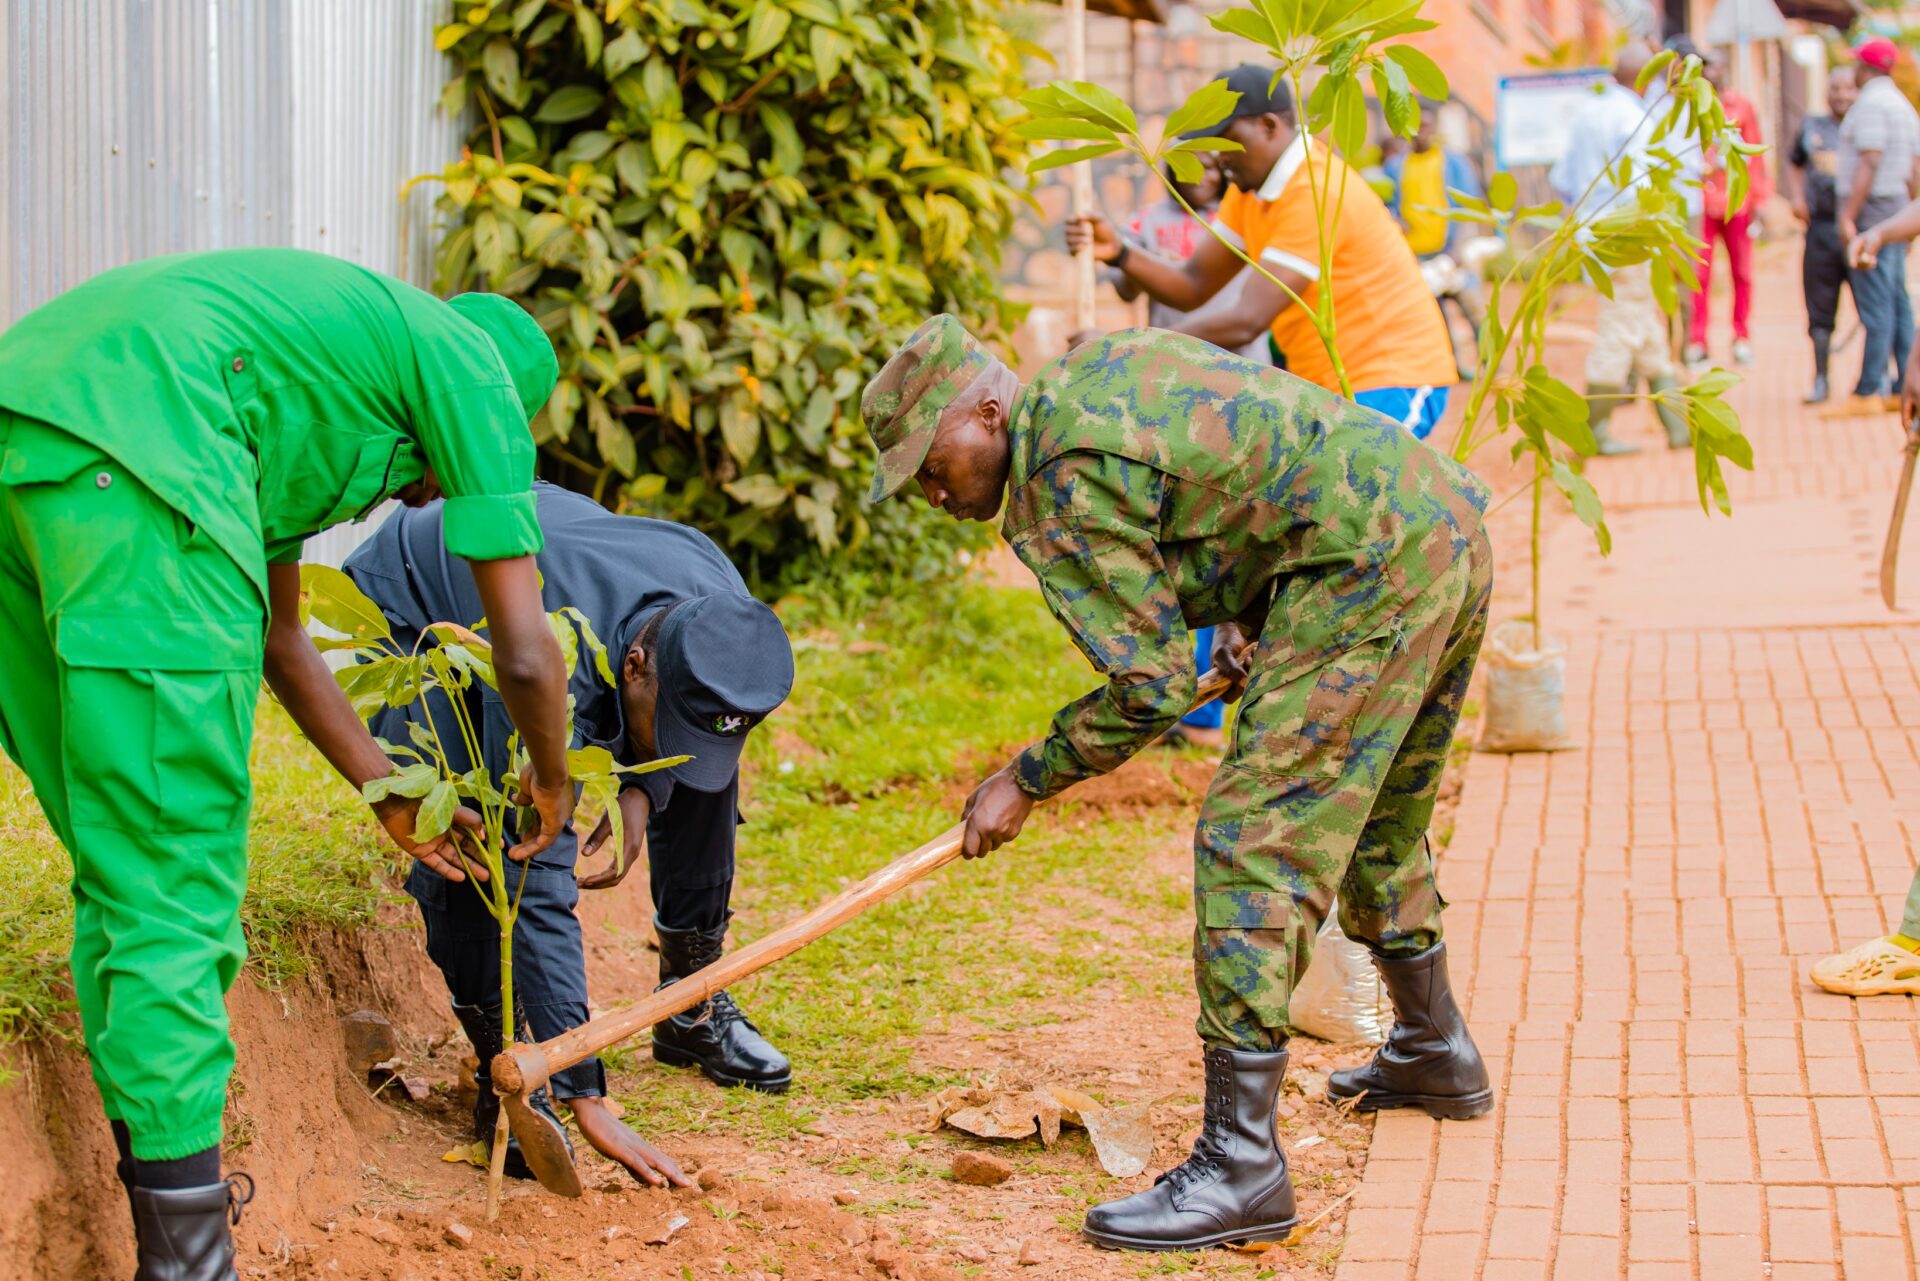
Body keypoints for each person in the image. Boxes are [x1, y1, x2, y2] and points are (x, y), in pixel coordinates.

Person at [0, 248, 583, 1280]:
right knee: (170, 888)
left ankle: (162, 1219)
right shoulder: (472, 368)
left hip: (28, 441)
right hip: (133, 474)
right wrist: (551, 775)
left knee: (121, 869)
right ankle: (191, 1266)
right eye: (443, 476)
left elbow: (280, 637)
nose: (429, 493)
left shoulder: (313, 360)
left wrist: (386, 790)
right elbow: (528, 651)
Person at [862, 315, 1495, 1252]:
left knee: (1253, 836)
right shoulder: (1101, 364)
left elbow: (1149, 685)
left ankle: (1241, 1163)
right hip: (1440, 523)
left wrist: (1026, 778)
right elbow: (1241, 458)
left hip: (1364, 573)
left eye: (931, 464)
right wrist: (1249, 607)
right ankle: (1434, 1048)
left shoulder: (1052, 480)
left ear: (989, 412)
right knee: (1376, 810)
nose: (932, 493)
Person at [344, 483, 796, 1187]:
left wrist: (648, 784)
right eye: (660, 717)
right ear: (634, 669)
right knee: (472, 836)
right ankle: (518, 1072)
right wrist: (586, 1087)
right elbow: (534, 871)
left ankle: (689, 1006)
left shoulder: (717, 607)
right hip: (417, 606)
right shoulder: (542, 659)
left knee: (706, 775)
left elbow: (683, 734)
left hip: (547, 578)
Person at [1066, 64, 1459, 440]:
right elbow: (1193, 284)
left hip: (1392, 377)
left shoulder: (1313, 189)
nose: (1216, 155)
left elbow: (1246, 320)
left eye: (1225, 137)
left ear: (1268, 126)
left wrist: (1129, 348)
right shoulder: (1248, 190)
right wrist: (1120, 252)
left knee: (1363, 497)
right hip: (1324, 386)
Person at [1107, 153, 1270, 747]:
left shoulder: (1244, 218)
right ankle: (1192, 704)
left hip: (1235, 393)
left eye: (1211, 159)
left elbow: (1246, 313)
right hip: (1171, 397)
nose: (1198, 170)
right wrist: (1108, 247)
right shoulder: (1149, 221)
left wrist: (1125, 347)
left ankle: (1206, 713)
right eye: (1185, 159)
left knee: (1225, 541)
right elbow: (1126, 282)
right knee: (1184, 541)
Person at [1550, 39, 1691, 455]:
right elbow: (1643, 190)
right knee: (1620, 329)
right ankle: (1593, 433)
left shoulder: (1588, 114)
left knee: (1642, 324)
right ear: (1646, 80)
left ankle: (1677, 428)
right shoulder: (1635, 119)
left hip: (1593, 235)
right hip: (1625, 239)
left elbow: (1563, 181)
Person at [1833, 38, 1920, 415]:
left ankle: (1869, 388)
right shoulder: (1902, 105)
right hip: (1897, 208)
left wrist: (1850, 216)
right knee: (1896, 298)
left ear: (1865, 69)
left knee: (1877, 303)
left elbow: (1869, 160)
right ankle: (1898, 383)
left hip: (1873, 209)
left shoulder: (1870, 104)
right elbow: (1915, 170)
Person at [1686, 50, 1771, 368]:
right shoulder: (1690, 107)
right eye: (1707, 67)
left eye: (1718, 65)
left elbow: (1757, 156)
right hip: (1703, 203)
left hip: (1737, 202)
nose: (1713, 72)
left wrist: (1761, 199)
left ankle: (1741, 336)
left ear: (1726, 68)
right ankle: (1698, 341)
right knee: (1701, 274)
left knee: (1742, 272)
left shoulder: (1742, 106)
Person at [1789, 66, 1859, 404]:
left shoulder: (1865, 127)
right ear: (1826, 91)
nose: (1842, 95)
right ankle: (1821, 380)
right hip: (1820, 230)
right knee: (1819, 312)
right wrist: (1799, 197)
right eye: (1836, 89)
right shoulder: (1811, 126)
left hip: (1860, 230)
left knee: (1874, 309)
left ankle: (1877, 380)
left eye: (1849, 89)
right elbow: (1794, 162)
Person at [1383, 111, 1483, 260]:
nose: (1421, 132)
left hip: (1446, 249)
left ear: (1435, 129)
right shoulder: (1395, 166)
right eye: (1416, 126)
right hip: (1410, 249)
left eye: (1426, 126)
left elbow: (1468, 205)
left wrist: (1459, 249)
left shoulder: (1454, 163)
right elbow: (1385, 204)